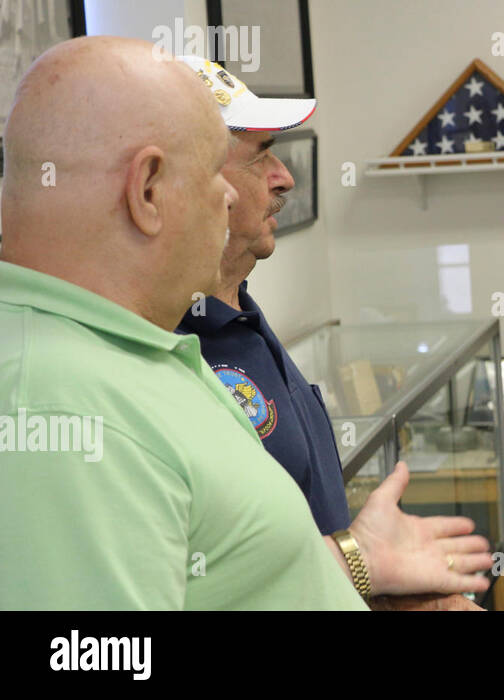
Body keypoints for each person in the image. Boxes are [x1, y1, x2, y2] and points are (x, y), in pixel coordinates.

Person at [0, 37, 361, 608]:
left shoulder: (130, 353)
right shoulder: (60, 406)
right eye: (209, 176)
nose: (224, 201)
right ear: (147, 191)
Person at [173, 56, 492, 609]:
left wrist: (387, 593)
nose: (286, 178)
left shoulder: (240, 315)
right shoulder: (167, 352)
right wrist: (362, 564)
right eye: (260, 156)